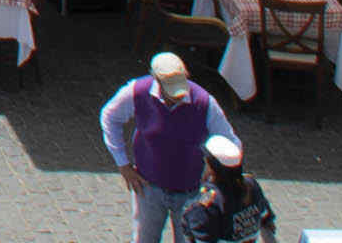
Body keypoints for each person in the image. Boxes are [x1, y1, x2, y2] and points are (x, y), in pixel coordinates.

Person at [100, 49, 240, 243]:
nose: (177, 96)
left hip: (190, 191)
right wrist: (123, 164)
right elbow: (110, 116)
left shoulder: (204, 102)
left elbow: (232, 141)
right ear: (156, 80)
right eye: (170, 90)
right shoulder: (137, 91)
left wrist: (218, 170)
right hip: (148, 188)